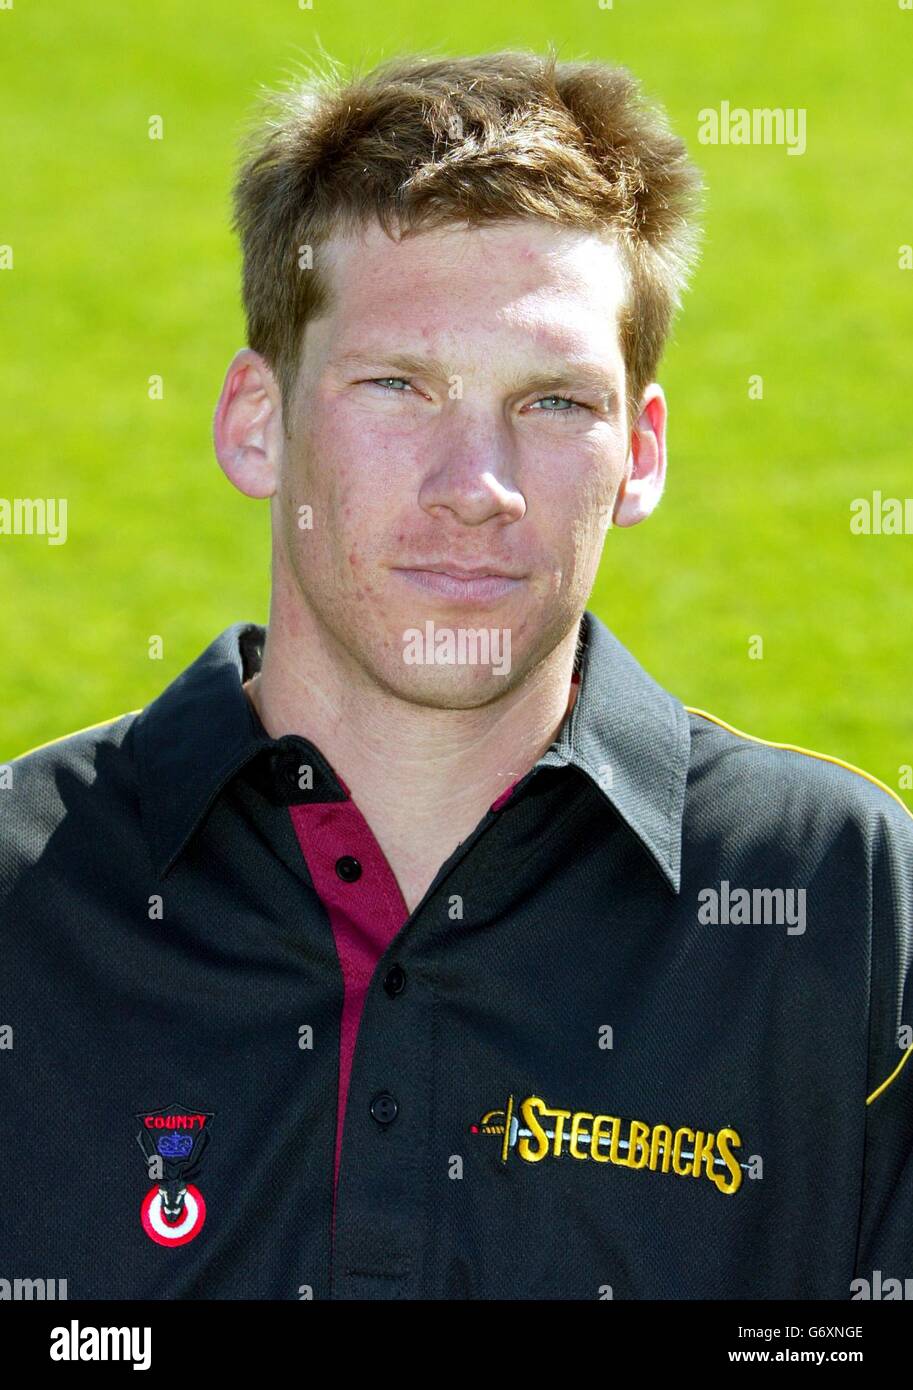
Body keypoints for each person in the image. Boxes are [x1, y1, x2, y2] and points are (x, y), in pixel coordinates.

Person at [2, 49, 910, 1302]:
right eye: (397, 385)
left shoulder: (838, 895)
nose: (473, 486)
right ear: (254, 420)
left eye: (551, 403)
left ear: (640, 453)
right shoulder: (22, 887)